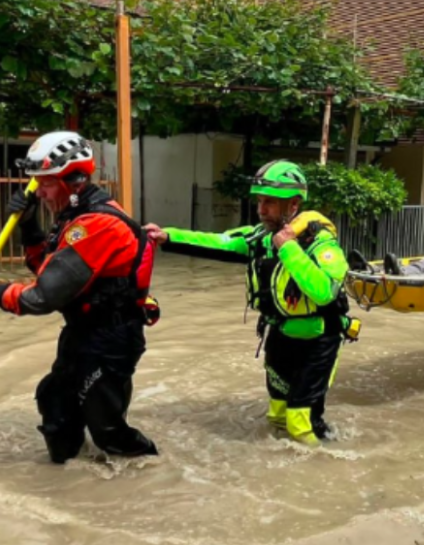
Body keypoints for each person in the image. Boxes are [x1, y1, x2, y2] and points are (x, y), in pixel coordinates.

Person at [0, 131, 160, 464]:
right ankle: (67, 481)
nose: (38, 192)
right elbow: (44, 269)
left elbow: (42, 297)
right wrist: (30, 225)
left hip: (111, 339)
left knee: (107, 430)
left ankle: (156, 474)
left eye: (45, 184)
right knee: (56, 404)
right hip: (81, 331)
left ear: (75, 181)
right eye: (36, 183)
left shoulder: (97, 224)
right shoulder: (71, 218)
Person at [144, 160, 356, 447]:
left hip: (319, 340)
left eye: (269, 202)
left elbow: (323, 292)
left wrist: (289, 247)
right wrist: (168, 235)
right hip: (281, 335)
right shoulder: (261, 238)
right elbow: (219, 242)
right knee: (277, 415)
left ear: (293, 206)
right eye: (259, 201)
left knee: (299, 422)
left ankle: (325, 469)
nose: (261, 209)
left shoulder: (322, 244)